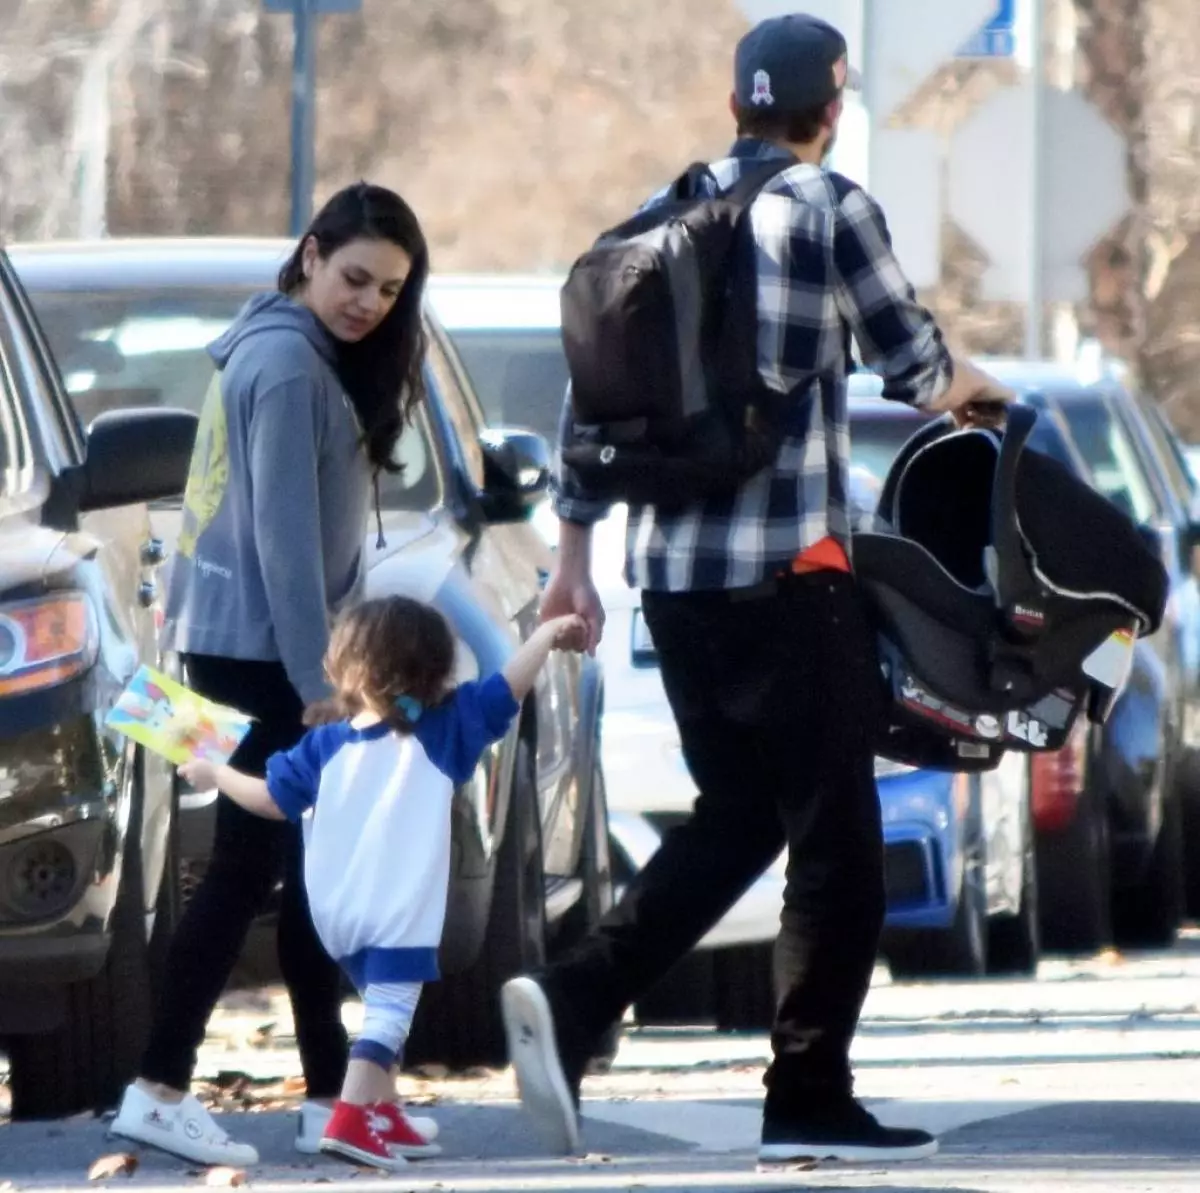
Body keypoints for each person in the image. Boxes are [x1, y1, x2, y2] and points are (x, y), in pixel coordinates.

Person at [500, 12, 1013, 1167]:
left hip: (674, 590)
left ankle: (575, 1000)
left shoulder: (657, 214)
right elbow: (918, 367)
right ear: (831, 110)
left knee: (737, 817)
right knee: (837, 844)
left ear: (736, 106)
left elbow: (591, 417)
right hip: (794, 584)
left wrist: (573, 561)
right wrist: (987, 393)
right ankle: (808, 1092)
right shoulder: (831, 209)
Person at [110, 183, 432, 1167]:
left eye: (386, 289)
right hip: (269, 657)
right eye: (353, 277)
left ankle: (334, 1096)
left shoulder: (270, 346)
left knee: (305, 874)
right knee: (247, 869)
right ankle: (160, 1086)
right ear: (309, 253)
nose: (368, 302)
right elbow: (287, 543)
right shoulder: (289, 366)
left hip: (234, 645)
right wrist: (320, 679)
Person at [178, 597, 589, 1170]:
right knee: (391, 1014)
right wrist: (544, 636)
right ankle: (349, 1116)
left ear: (343, 665)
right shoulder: (443, 730)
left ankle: (384, 1109)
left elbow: (269, 800)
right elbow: (507, 688)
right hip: (398, 908)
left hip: (335, 912)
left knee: (381, 1003)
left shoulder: (323, 743)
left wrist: (215, 772)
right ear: (436, 670)